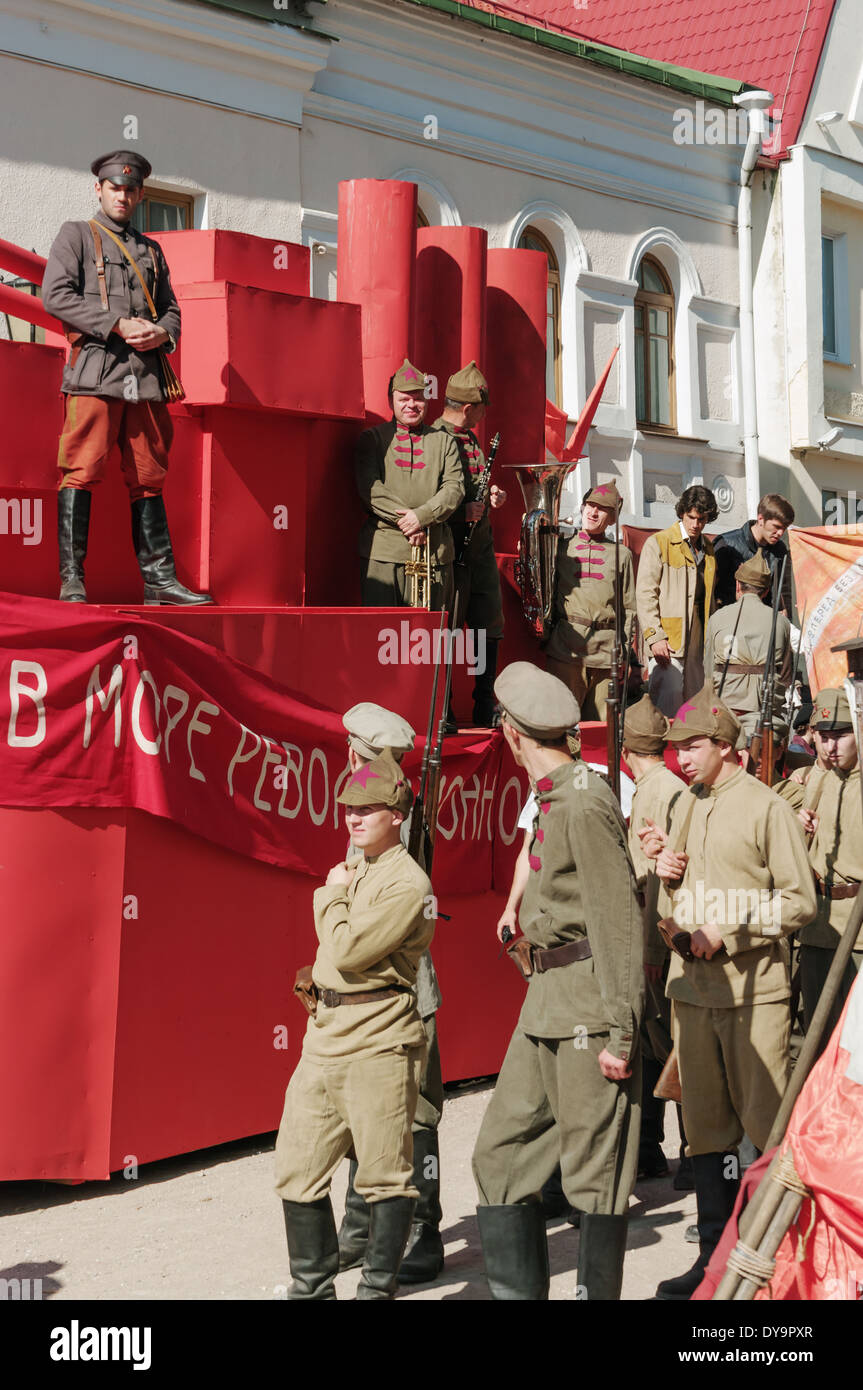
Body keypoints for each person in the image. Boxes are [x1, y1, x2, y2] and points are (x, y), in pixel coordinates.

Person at [472, 663, 644, 1300]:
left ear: (513, 735)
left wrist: (623, 1034)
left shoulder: (585, 799)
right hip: (544, 1000)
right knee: (501, 1155)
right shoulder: (552, 798)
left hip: (589, 1008)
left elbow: (619, 922)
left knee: (594, 1176)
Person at [643, 684, 816, 1300]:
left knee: (766, 1127)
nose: (682, 758)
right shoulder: (685, 804)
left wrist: (731, 930)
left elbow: (799, 900)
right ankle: (716, 1259)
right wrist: (663, 875)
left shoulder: (766, 808)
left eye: (692, 746)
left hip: (752, 994)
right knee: (706, 1133)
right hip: (692, 992)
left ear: (723, 745)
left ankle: (785, 1259)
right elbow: (675, 899)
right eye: (675, 749)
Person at [273, 748, 434, 1300]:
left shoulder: (408, 883)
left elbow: (346, 950)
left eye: (368, 808)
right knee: (296, 1170)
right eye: (348, 808)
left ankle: (374, 1292)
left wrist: (331, 891)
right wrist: (342, 886)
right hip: (324, 1036)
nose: (354, 817)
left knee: (384, 1177)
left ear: (397, 815)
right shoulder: (357, 868)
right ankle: (313, 1289)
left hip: (378, 1042)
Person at [41, 150, 212, 606]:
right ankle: (72, 579)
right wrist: (116, 323)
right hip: (95, 374)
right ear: (98, 189)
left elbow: (172, 309)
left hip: (146, 380)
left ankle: (160, 580)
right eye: (115, 188)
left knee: (150, 478)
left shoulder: (151, 251)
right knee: (80, 471)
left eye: (131, 190)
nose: (123, 195)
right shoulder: (76, 235)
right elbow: (54, 296)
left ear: (139, 195)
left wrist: (163, 332)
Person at [336, 702, 446, 1285]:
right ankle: (360, 1231)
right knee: (361, 1106)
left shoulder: (399, 816)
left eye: (352, 750)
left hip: (406, 990)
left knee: (418, 1114)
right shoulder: (376, 806)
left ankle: (426, 1232)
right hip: (366, 993)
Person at [622, 695, 686, 1182]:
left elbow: (651, 882)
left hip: (656, 934)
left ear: (627, 750)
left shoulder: (654, 792)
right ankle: (650, 1147)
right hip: (657, 932)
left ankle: (687, 1149)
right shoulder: (661, 785)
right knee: (649, 1040)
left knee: (665, 1042)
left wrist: (648, 951)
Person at [430, 362, 506, 725]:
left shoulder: (472, 439)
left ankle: (482, 703)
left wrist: (490, 494)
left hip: (480, 549)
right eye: (481, 408)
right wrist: (463, 511)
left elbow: (474, 480)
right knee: (446, 631)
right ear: (467, 408)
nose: (482, 415)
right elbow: (429, 497)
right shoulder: (434, 439)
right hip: (450, 548)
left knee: (485, 624)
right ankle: (442, 707)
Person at [354, 359, 464, 611]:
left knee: (430, 640)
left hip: (434, 554)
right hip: (384, 554)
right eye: (404, 398)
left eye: (418, 398)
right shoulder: (372, 439)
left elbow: (454, 488)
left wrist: (422, 517)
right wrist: (409, 521)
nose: (412, 405)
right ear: (391, 400)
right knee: (383, 637)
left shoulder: (444, 442)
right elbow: (370, 490)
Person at [797, 688, 862, 1039]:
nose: (831, 747)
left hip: (856, 931)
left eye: (841, 736)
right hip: (816, 925)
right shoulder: (818, 779)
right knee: (817, 1036)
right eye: (823, 737)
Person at [545, 483, 636, 720]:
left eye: (602, 509)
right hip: (567, 648)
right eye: (590, 505)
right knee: (562, 724)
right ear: (583, 506)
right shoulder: (560, 547)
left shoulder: (622, 555)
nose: (593, 513)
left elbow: (628, 608)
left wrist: (624, 651)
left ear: (613, 517)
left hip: (607, 653)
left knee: (601, 730)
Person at [635, 485, 718, 717]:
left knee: (694, 710)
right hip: (669, 639)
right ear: (682, 513)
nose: (695, 524)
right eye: (691, 517)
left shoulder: (708, 549)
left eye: (701, 519)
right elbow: (645, 594)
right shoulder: (658, 543)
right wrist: (654, 636)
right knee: (667, 706)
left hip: (699, 639)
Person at [703, 554, 792, 745]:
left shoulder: (718, 618)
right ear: (766, 591)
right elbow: (785, 673)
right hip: (764, 708)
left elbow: (708, 671)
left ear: (738, 585)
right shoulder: (781, 622)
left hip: (725, 705)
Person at [713, 493, 794, 610]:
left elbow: (784, 592)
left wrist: (786, 623)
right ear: (761, 519)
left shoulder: (780, 550)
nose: (781, 533)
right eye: (777, 526)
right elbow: (712, 591)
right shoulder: (726, 544)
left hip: (765, 622)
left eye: (784, 528)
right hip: (732, 621)